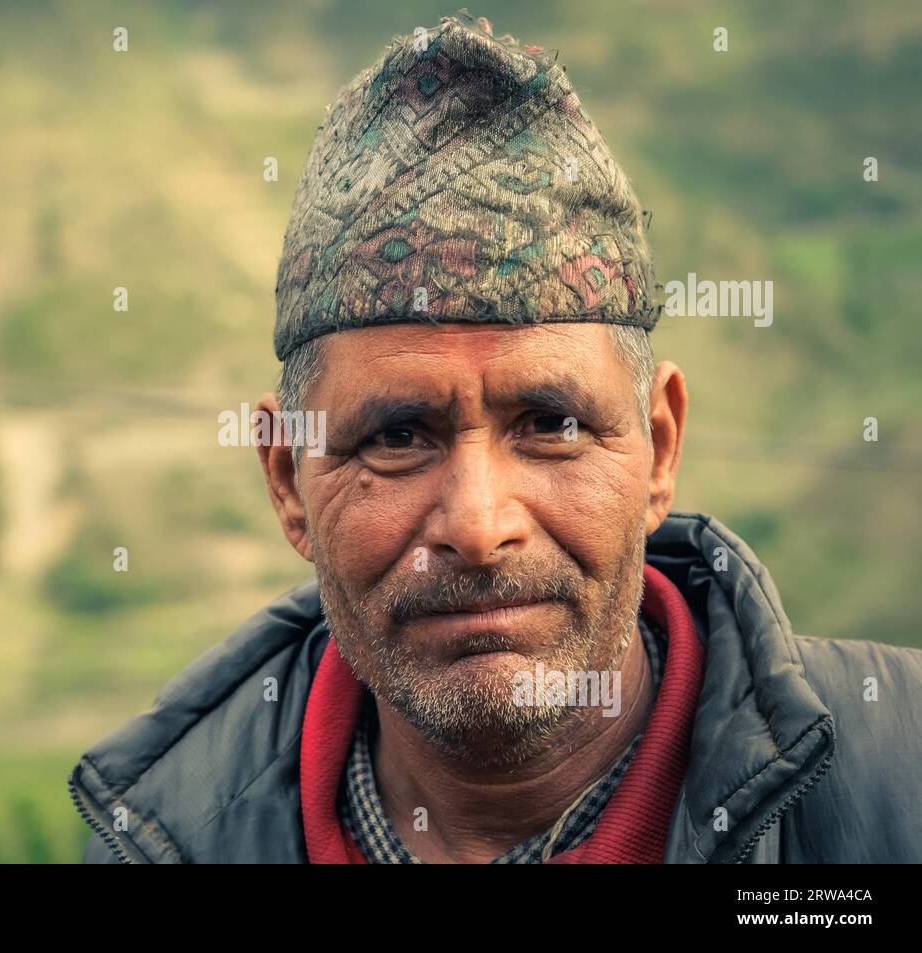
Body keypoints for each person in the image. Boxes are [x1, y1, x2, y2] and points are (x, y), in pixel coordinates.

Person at [68, 13, 922, 863]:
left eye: (551, 425)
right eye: (398, 436)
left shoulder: (900, 773)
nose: (478, 528)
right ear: (288, 478)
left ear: (660, 448)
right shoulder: (163, 839)